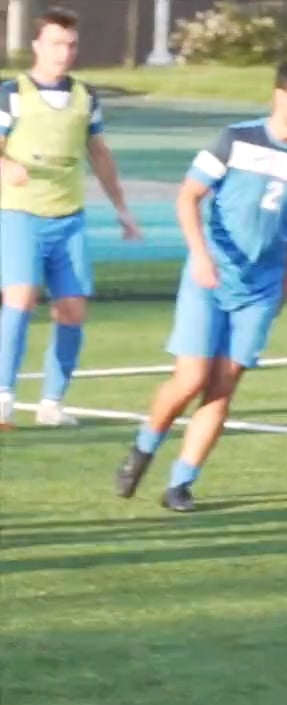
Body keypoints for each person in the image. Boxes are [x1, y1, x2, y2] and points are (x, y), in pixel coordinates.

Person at [113, 59, 287, 514]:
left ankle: (180, 485)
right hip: (208, 278)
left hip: (260, 288)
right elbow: (187, 197)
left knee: (223, 386)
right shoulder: (235, 139)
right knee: (190, 378)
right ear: (281, 96)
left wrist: (285, 285)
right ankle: (143, 447)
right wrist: (202, 255)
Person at [0, 6, 143, 429]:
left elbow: (99, 154)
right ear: (37, 46)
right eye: (56, 43)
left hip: (69, 218)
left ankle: (52, 403)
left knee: (73, 309)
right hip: (20, 213)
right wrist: (7, 166)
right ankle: (3, 394)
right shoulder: (12, 93)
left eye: (71, 44)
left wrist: (122, 211)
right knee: (21, 298)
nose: (65, 51)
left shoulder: (86, 97)